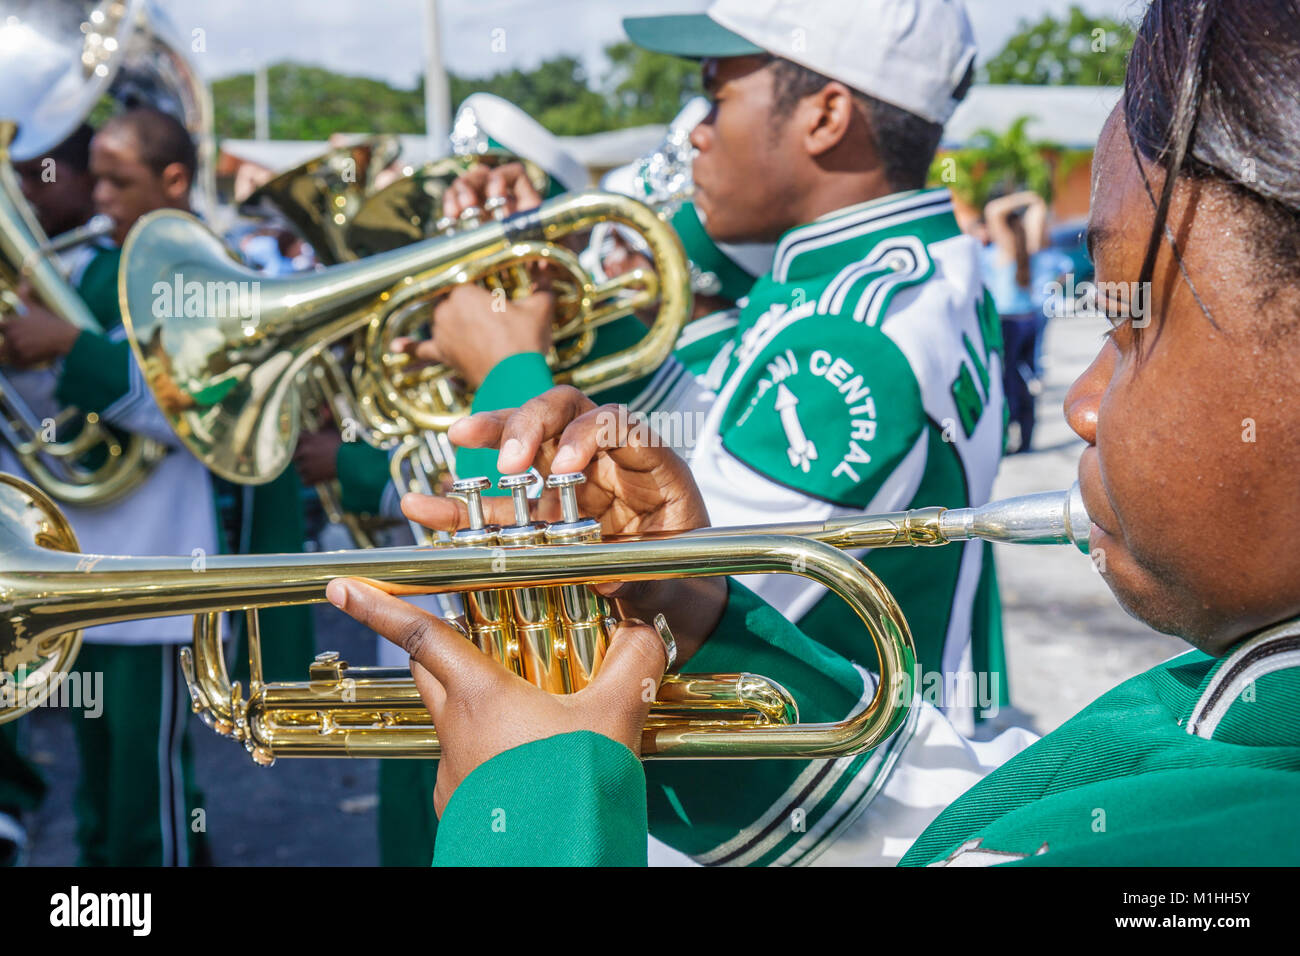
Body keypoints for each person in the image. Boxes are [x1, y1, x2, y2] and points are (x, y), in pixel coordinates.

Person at [326, 0, 1300, 866]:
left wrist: (535, 818)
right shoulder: (826, 292)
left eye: (1127, 326)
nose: (1079, 405)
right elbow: (966, 811)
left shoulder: (855, 325)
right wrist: (697, 603)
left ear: (827, 114)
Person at [385, 0, 1017, 866]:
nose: (695, 135)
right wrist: (534, 274)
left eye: (717, 95)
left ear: (827, 116)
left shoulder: (849, 340)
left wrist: (505, 364)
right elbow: (684, 418)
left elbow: (641, 592)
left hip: (806, 812)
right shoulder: (867, 281)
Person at [0, 110, 219, 866]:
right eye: (93, 177)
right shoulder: (96, 259)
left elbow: (202, 408)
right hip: (74, 565)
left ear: (175, 181)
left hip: (156, 569)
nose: (96, 197)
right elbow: (54, 406)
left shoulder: (203, 266)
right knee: (97, 795)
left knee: (146, 798)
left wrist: (68, 345)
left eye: (117, 181)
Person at [980, 190, 1072, 453]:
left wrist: (1026, 197)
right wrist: (1035, 201)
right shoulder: (1027, 245)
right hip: (1029, 319)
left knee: (1005, 380)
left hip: (1006, 321)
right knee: (1025, 377)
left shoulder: (1006, 247)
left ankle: (1007, 437)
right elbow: (1032, 213)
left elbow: (993, 211)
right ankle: (1027, 435)